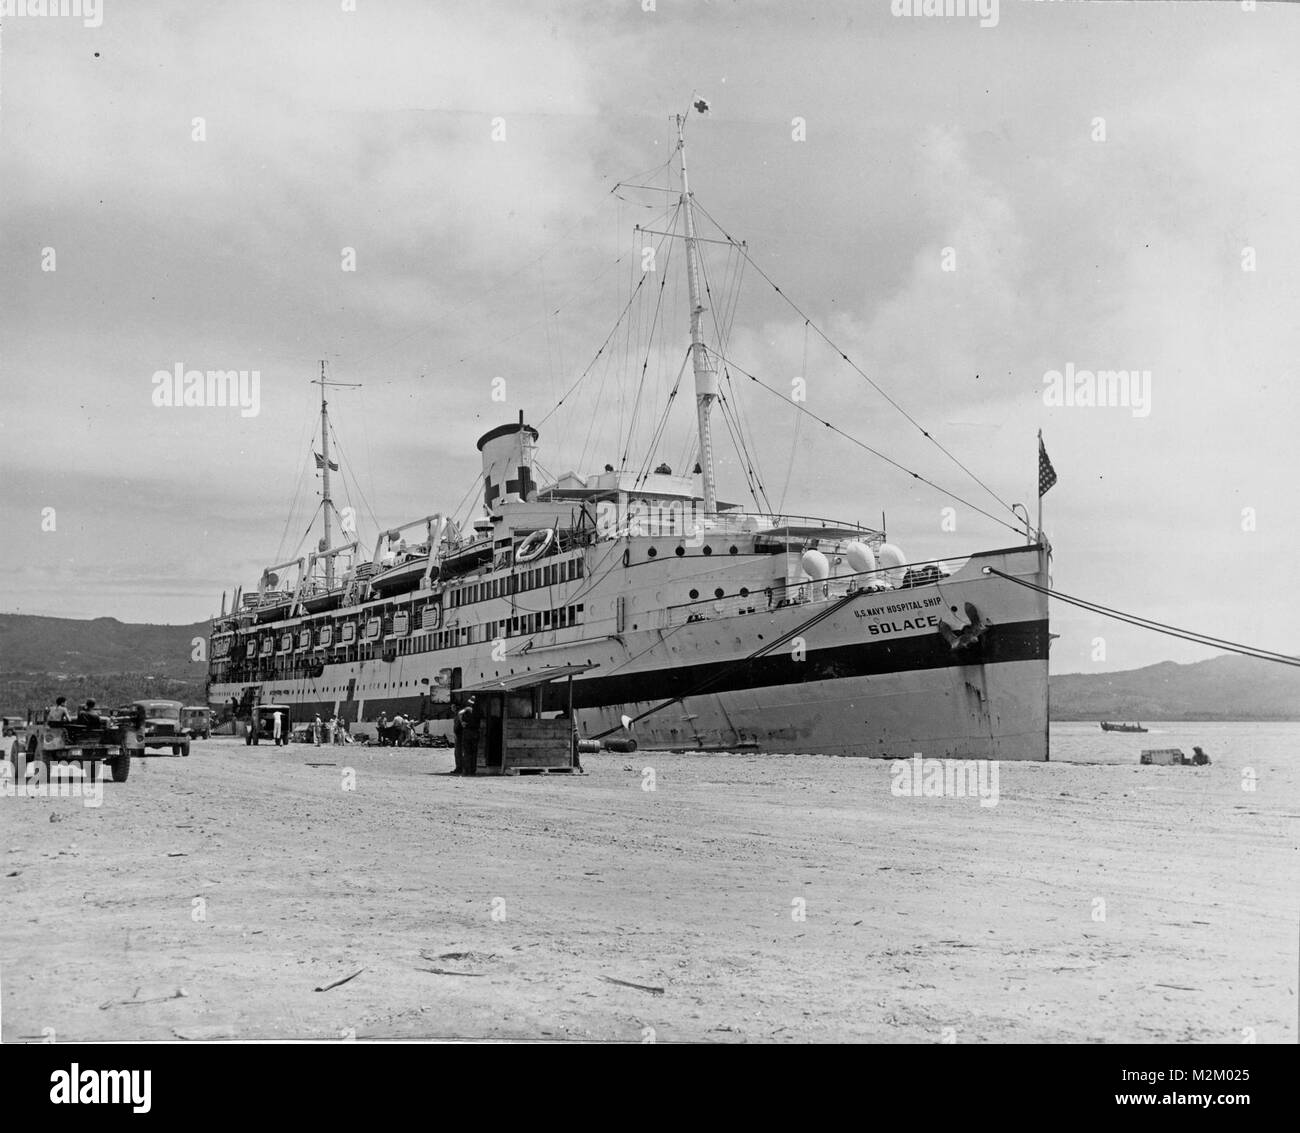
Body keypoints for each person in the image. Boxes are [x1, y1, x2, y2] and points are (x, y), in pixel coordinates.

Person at [456, 696, 480, 776]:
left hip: (467, 732)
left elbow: (459, 713)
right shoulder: (478, 710)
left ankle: (466, 771)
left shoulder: (467, 709)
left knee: (466, 752)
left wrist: (462, 722)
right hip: (476, 732)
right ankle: (473, 771)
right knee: (474, 753)